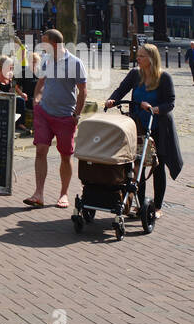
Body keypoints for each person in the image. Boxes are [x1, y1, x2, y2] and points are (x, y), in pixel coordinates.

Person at [106, 42, 183, 219]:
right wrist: (112, 100)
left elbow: (170, 102)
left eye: (141, 56)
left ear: (151, 59)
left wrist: (154, 109)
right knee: (138, 164)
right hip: (139, 125)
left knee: (157, 165)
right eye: (137, 55)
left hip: (158, 126)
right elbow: (120, 90)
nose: (137, 58)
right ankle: (140, 205)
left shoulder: (164, 77)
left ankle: (157, 207)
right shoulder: (135, 74)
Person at [24, 28, 87, 210]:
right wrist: (36, 98)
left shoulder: (75, 63)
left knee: (65, 156)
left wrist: (76, 114)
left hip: (65, 116)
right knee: (40, 150)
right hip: (44, 113)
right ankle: (38, 194)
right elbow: (41, 82)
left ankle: (63, 194)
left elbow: (82, 90)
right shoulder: (46, 60)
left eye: (44, 42)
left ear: (53, 44)